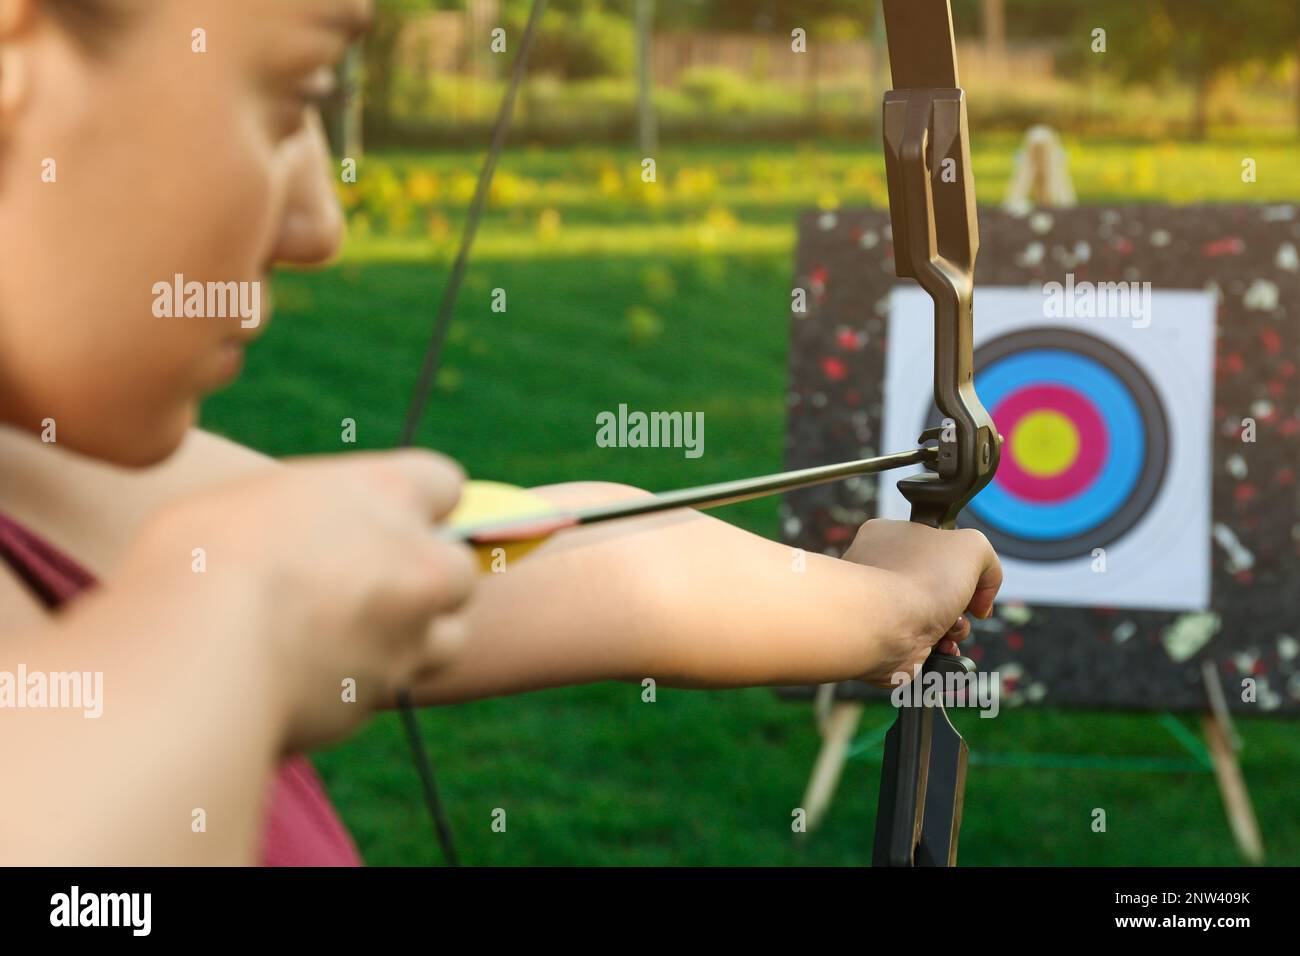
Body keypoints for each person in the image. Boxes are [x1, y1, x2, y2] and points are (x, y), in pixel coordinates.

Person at [0, 0, 1001, 865]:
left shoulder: (49, 484)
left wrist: (887, 603)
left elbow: (586, 563)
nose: (317, 226)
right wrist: (244, 623)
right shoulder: (205, 592)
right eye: (292, 96)